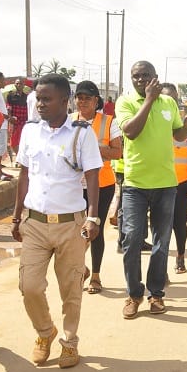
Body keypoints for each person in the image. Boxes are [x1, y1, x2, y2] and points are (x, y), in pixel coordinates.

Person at [11, 74, 103, 369]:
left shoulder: (82, 133)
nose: (40, 104)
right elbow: (24, 174)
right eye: (38, 98)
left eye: (47, 99)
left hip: (70, 224)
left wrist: (92, 217)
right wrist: (16, 217)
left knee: (70, 289)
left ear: (65, 100)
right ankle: (44, 331)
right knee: (30, 286)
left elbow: (92, 176)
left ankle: (69, 342)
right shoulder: (30, 132)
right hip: (35, 223)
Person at [116, 61, 187, 318]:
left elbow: (178, 136)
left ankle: (156, 294)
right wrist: (148, 100)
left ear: (155, 77)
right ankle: (134, 293)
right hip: (135, 185)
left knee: (161, 242)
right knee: (132, 240)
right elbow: (131, 131)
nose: (141, 79)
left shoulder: (169, 104)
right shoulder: (125, 102)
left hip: (166, 184)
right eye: (136, 76)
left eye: (146, 75)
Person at [74, 80, 122, 294]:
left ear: (96, 100)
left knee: (95, 230)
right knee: (72, 231)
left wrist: (92, 150)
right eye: (79, 97)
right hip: (74, 186)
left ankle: (95, 275)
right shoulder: (67, 121)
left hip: (102, 184)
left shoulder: (109, 122)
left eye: (87, 98)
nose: (82, 101)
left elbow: (117, 152)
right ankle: (80, 269)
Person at [162, 83, 187, 274]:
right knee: (161, 225)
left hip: (182, 183)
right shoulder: (152, 121)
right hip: (159, 182)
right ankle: (160, 264)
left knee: (179, 223)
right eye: (165, 98)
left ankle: (180, 256)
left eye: (172, 98)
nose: (169, 101)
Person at [7, 78, 29, 155]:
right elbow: (9, 107)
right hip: (14, 122)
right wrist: (10, 118)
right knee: (13, 142)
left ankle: (21, 159)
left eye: (20, 83)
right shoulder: (10, 95)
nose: (18, 85)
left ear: (24, 85)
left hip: (24, 122)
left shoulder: (27, 97)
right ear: (15, 85)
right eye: (17, 83)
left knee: (24, 140)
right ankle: (19, 157)